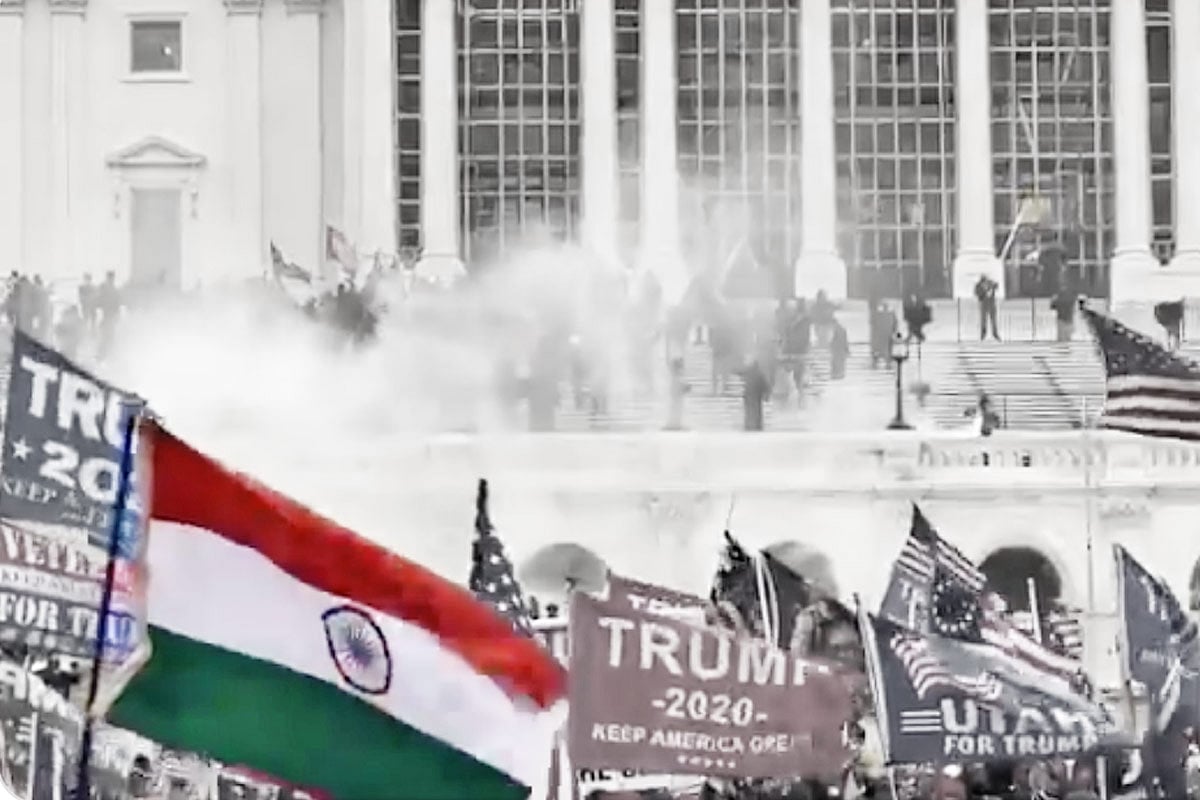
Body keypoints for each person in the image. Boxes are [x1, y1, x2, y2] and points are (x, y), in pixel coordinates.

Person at [974, 274, 1001, 341]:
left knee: (993, 320)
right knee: (983, 320)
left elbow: (996, 286)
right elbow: (976, 293)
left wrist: (992, 286)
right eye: (983, 281)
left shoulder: (990, 283)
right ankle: (983, 334)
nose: (984, 282)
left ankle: (995, 333)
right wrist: (982, 292)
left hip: (991, 303)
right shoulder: (978, 285)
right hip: (983, 303)